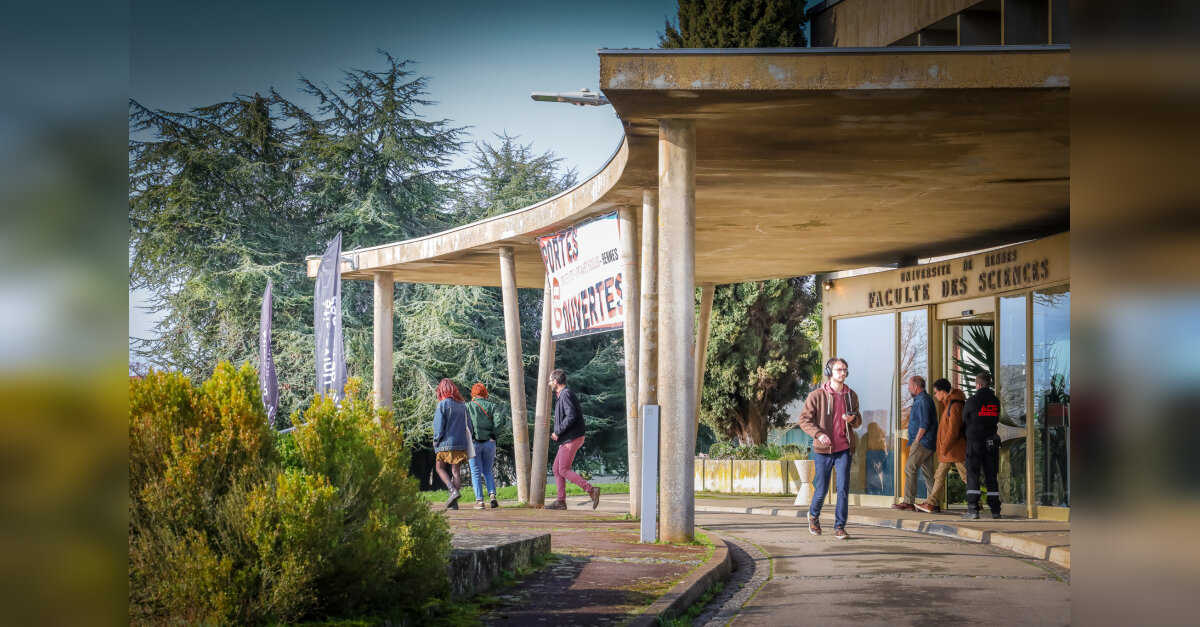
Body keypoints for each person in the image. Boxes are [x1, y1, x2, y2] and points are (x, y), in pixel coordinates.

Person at [797, 357, 862, 540]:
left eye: (845, 370)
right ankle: (813, 515)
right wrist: (818, 434)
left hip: (844, 449)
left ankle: (840, 526)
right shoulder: (816, 395)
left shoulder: (851, 395)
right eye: (839, 370)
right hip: (823, 451)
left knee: (842, 488)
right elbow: (804, 420)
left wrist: (853, 420)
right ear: (829, 372)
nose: (843, 373)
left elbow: (858, 420)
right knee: (822, 489)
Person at [546, 369, 601, 510]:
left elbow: (571, 415)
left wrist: (558, 431)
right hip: (568, 437)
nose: (549, 383)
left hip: (571, 437)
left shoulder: (566, 395)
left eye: (550, 381)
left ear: (556, 382)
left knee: (563, 469)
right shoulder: (562, 395)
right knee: (557, 469)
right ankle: (561, 501)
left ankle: (591, 490)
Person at [916, 378, 967, 514]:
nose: (935, 395)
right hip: (951, 449)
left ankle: (977, 503)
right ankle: (931, 503)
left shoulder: (955, 405)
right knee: (939, 476)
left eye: (936, 392)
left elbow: (953, 430)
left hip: (954, 449)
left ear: (943, 391)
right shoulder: (949, 403)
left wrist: (944, 447)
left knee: (966, 477)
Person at [962, 372, 1002, 519]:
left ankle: (973, 509)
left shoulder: (971, 401)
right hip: (991, 443)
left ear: (978, 384)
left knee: (973, 474)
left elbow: (964, 419)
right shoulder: (995, 401)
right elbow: (996, 418)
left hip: (974, 443)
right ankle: (995, 510)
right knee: (991, 475)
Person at [894, 376, 938, 511]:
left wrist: (917, 440)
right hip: (927, 441)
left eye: (909, 385)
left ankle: (908, 502)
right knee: (929, 473)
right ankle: (934, 503)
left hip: (923, 441)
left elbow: (924, 424)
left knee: (909, 468)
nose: (908, 388)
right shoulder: (922, 399)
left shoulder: (923, 400)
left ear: (916, 386)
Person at [432, 378, 472, 510]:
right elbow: (469, 427)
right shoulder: (462, 405)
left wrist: (436, 441)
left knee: (439, 468)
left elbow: (438, 427)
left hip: (445, 443)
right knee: (456, 471)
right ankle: (454, 504)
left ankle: (452, 490)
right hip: (461, 443)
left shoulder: (442, 405)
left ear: (441, 391)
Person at [467, 382, 505, 510]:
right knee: (488, 470)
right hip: (490, 443)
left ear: (473, 394)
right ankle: (493, 496)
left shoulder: (469, 406)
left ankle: (480, 501)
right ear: (485, 394)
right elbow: (500, 421)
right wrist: (493, 435)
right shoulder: (492, 406)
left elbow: (465, 424)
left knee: (476, 472)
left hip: (474, 443)